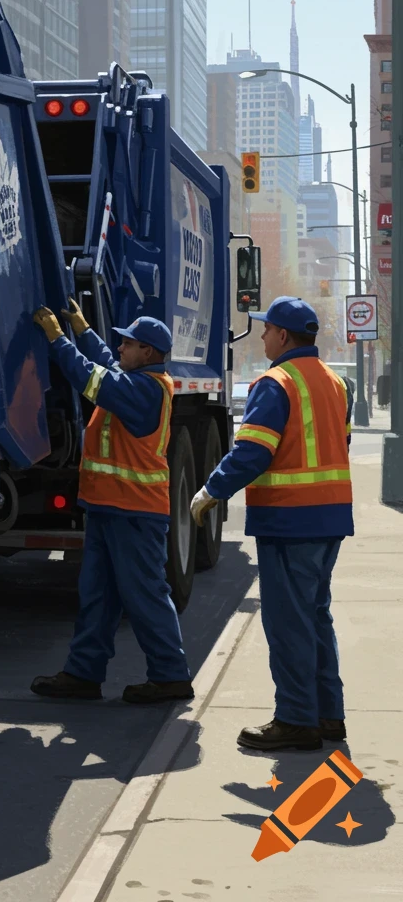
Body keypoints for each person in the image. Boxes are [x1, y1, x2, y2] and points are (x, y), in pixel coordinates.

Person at [191, 296, 353, 752]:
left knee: (289, 623)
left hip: (289, 520)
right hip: (330, 517)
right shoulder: (336, 383)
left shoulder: (275, 382)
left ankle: (296, 719)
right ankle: (327, 714)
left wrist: (211, 492)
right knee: (316, 616)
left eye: (265, 330)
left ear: (283, 335)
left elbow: (252, 452)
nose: (261, 335)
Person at [29, 300, 193, 704]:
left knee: (145, 595)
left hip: (134, 513)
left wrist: (59, 339)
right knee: (97, 595)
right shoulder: (136, 379)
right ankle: (83, 674)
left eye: (129, 344)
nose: (121, 349)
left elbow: (92, 378)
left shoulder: (144, 391)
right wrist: (84, 331)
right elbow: (107, 362)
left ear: (148, 353)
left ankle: (171, 676)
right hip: (109, 507)